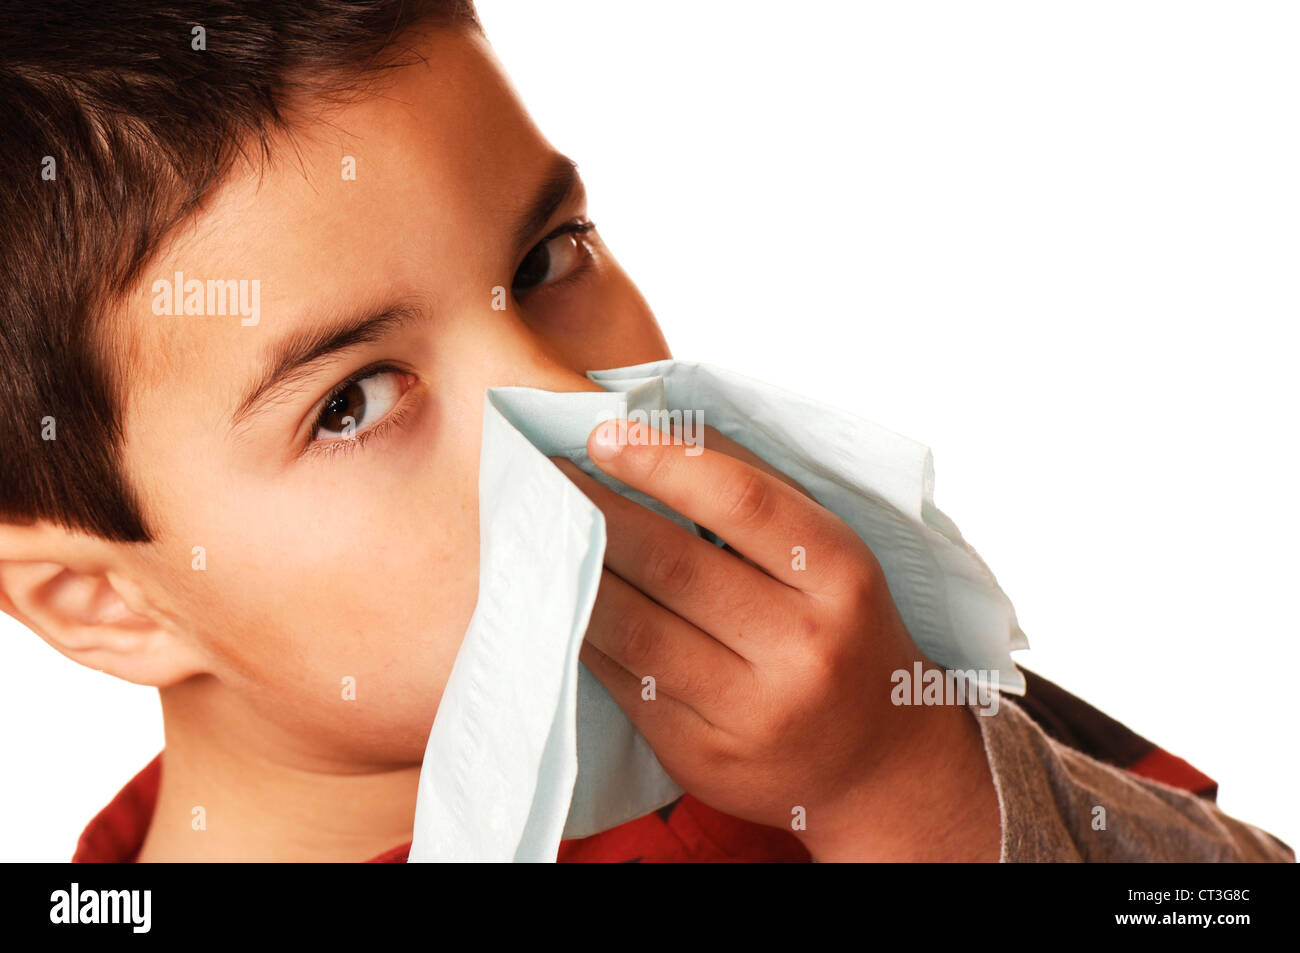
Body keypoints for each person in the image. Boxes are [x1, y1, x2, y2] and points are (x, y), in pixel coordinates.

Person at [1, 1, 1291, 862]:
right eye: (352, 400)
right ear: (97, 601)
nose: (569, 405)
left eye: (548, 254)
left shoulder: (850, 686)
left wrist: (906, 787)